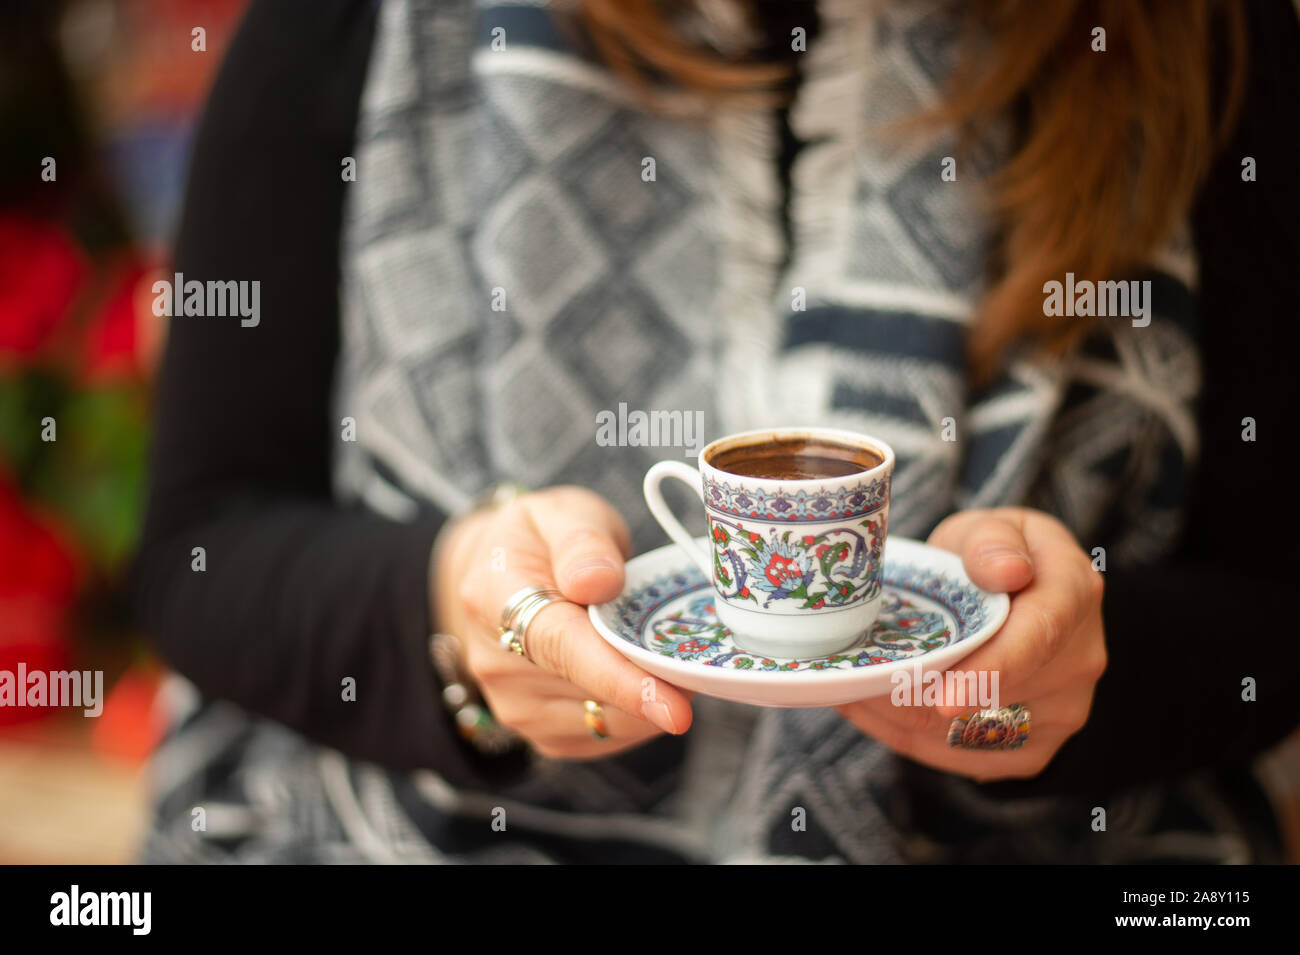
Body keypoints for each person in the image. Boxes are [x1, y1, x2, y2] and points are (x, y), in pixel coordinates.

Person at [132, 0, 1300, 863]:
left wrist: (1087, 680)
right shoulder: (358, 29)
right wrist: (447, 624)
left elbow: (1274, 609)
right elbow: (200, 546)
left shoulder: (1201, 47)